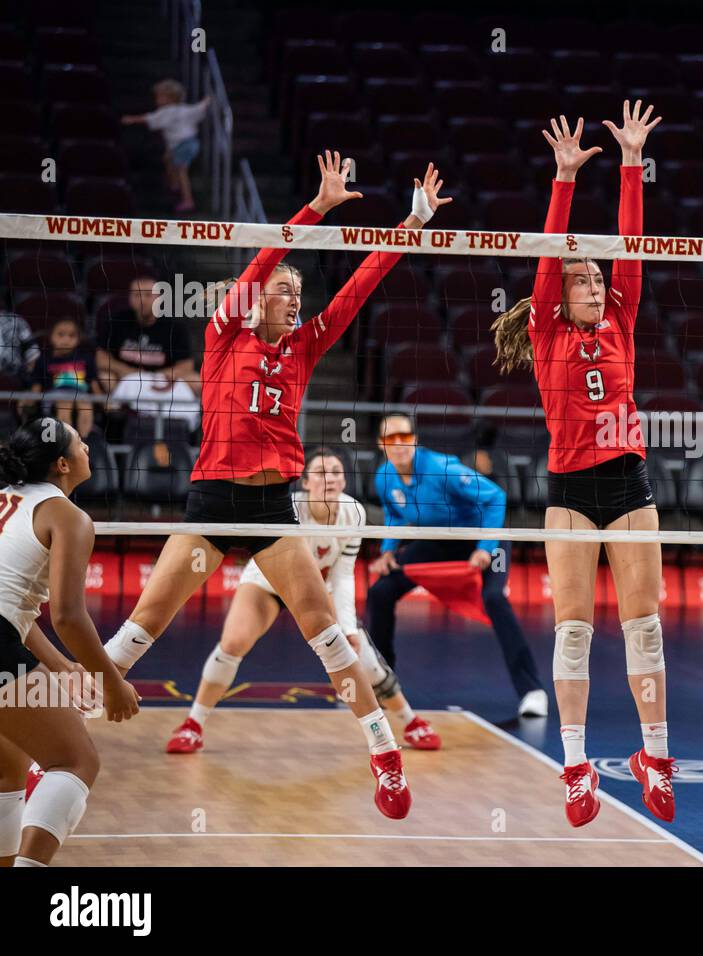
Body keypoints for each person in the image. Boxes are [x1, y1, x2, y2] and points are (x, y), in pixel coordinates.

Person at [97, 151, 452, 820]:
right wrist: (317, 207)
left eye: (298, 294)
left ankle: (385, 756)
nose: (294, 300)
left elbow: (360, 288)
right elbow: (264, 262)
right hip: (211, 503)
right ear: (256, 300)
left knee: (328, 632)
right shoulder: (224, 334)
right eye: (283, 293)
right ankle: (56, 745)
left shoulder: (308, 345)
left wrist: (413, 222)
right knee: (145, 622)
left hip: (268, 506)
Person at [490, 102, 675, 827]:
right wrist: (565, 177)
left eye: (600, 281)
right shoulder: (545, 329)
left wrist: (632, 161)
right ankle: (575, 767)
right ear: (561, 296)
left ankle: (654, 754)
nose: (596, 287)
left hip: (628, 485)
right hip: (570, 491)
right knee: (574, 629)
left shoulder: (623, 316)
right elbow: (547, 254)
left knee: (646, 625)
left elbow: (632, 244)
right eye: (583, 282)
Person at [165, 448, 441, 754]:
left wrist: (348, 628)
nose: (330, 479)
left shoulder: (354, 513)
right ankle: (193, 724)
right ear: (306, 482)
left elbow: (343, 575)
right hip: (268, 582)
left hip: (316, 589)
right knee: (232, 643)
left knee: (359, 654)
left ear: (345, 481)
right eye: (321, 473)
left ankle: (410, 720)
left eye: (336, 472)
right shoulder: (289, 508)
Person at [0, 419, 140, 867]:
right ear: (63, 463)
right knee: (76, 762)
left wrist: (61, 667)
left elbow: (14, 608)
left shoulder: (7, 499)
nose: (87, 444)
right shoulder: (68, 516)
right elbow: (67, 615)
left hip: (6, 638)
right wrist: (112, 682)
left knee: (8, 773)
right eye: (79, 442)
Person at [368, 414, 546, 719]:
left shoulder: (441, 468)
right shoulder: (384, 476)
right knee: (380, 592)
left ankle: (532, 691)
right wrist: (387, 551)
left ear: (415, 438)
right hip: (436, 542)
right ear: (380, 445)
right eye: (390, 439)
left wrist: (485, 548)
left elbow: (495, 498)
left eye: (405, 436)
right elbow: (396, 516)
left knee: (493, 599)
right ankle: (384, 685)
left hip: (480, 538)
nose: (399, 444)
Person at [98, 273, 199, 396]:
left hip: (162, 378)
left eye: (148, 295)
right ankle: (115, 413)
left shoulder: (175, 327)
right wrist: (127, 371)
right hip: (124, 376)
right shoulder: (117, 321)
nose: (142, 300)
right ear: (129, 298)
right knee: (105, 377)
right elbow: (101, 359)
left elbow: (186, 366)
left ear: (159, 298)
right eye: (137, 295)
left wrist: (157, 376)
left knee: (197, 382)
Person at [121, 79, 210, 214]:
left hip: (183, 144)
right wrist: (207, 100)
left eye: (159, 96)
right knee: (168, 158)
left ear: (170, 98)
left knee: (181, 170)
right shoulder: (184, 110)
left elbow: (149, 118)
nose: (156, 99)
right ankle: (174, 184)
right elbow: (198, 108)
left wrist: (131, 119)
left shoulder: (167, 112)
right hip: (188, 144)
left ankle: (187, 200)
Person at [26, 317, 104, 437]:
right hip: (55, 395)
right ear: (51, 337)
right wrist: (29, 401)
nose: (66, 339)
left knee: (86, 407)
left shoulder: (86, 358)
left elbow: (93, 382)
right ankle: (66, 441)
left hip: (80, 394)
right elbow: (37, 384)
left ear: (78, 339)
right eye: (61, 335)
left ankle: (84, 440)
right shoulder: (44, 359)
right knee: (64, 405)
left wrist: (104, 402)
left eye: (71, 335)